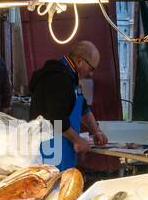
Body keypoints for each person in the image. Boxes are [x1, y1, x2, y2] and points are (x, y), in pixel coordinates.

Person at [28, 40, 108, 171]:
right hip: (51, 150)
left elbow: (83, 108)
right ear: (79, 61)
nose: (91, 73)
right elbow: (57, 118)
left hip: (65, 151)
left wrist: (96, 131)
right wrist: (77, 140)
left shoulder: (72, 79)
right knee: (53, 188)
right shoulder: (58, 78)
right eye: (91, 68)